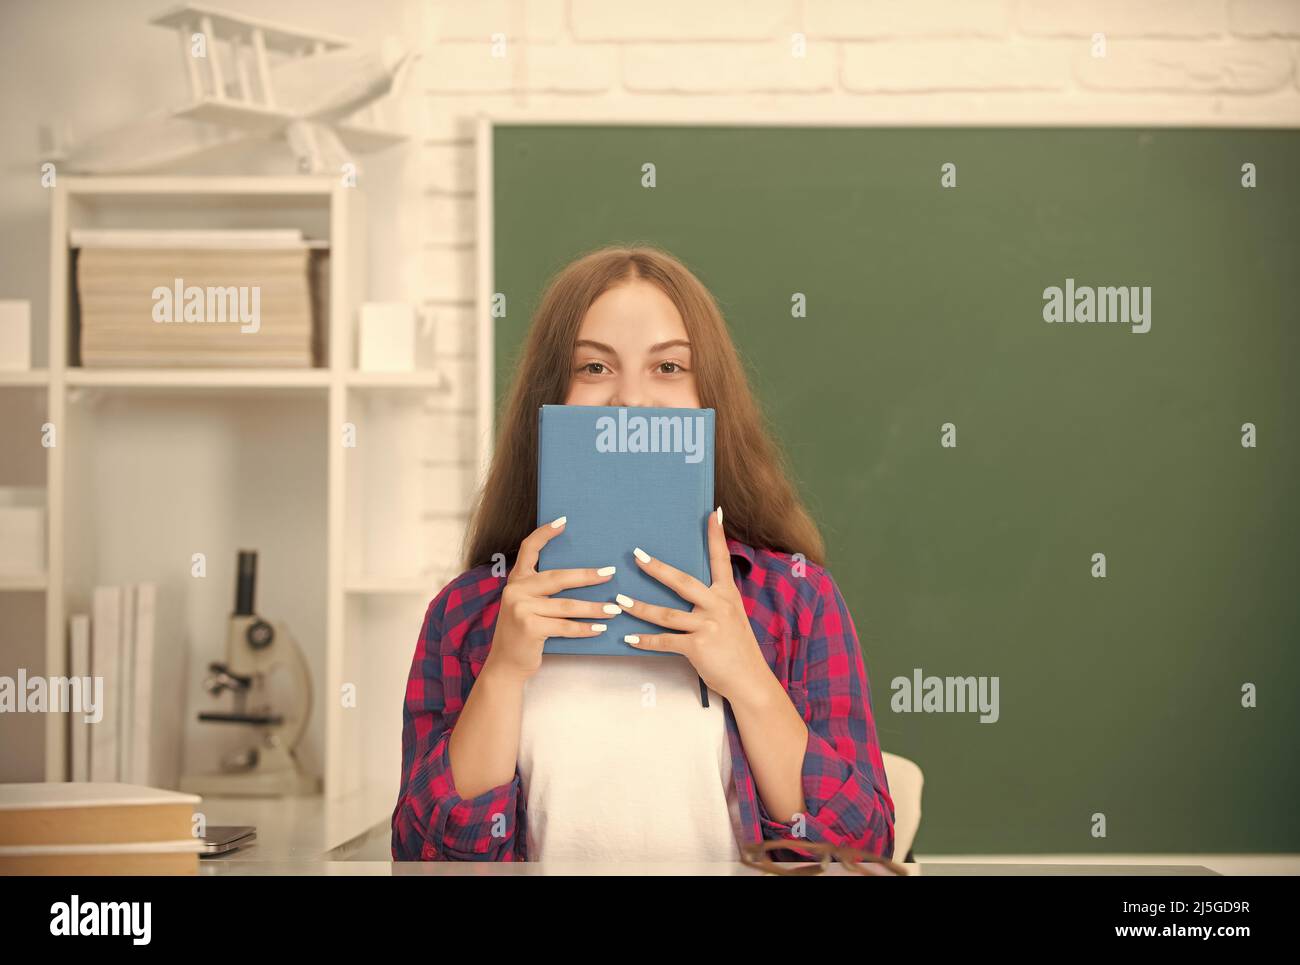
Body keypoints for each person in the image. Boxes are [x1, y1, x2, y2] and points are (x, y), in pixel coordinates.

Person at [391, 244, 894, 863]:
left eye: (669, 368)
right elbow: (419, 856)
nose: (631, 401)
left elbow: (862, 850)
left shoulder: (795, 598)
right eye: (594, 369)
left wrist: (748, 681)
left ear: (710, 399)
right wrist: (501, 674)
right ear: (550, 401)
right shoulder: (466, 613)